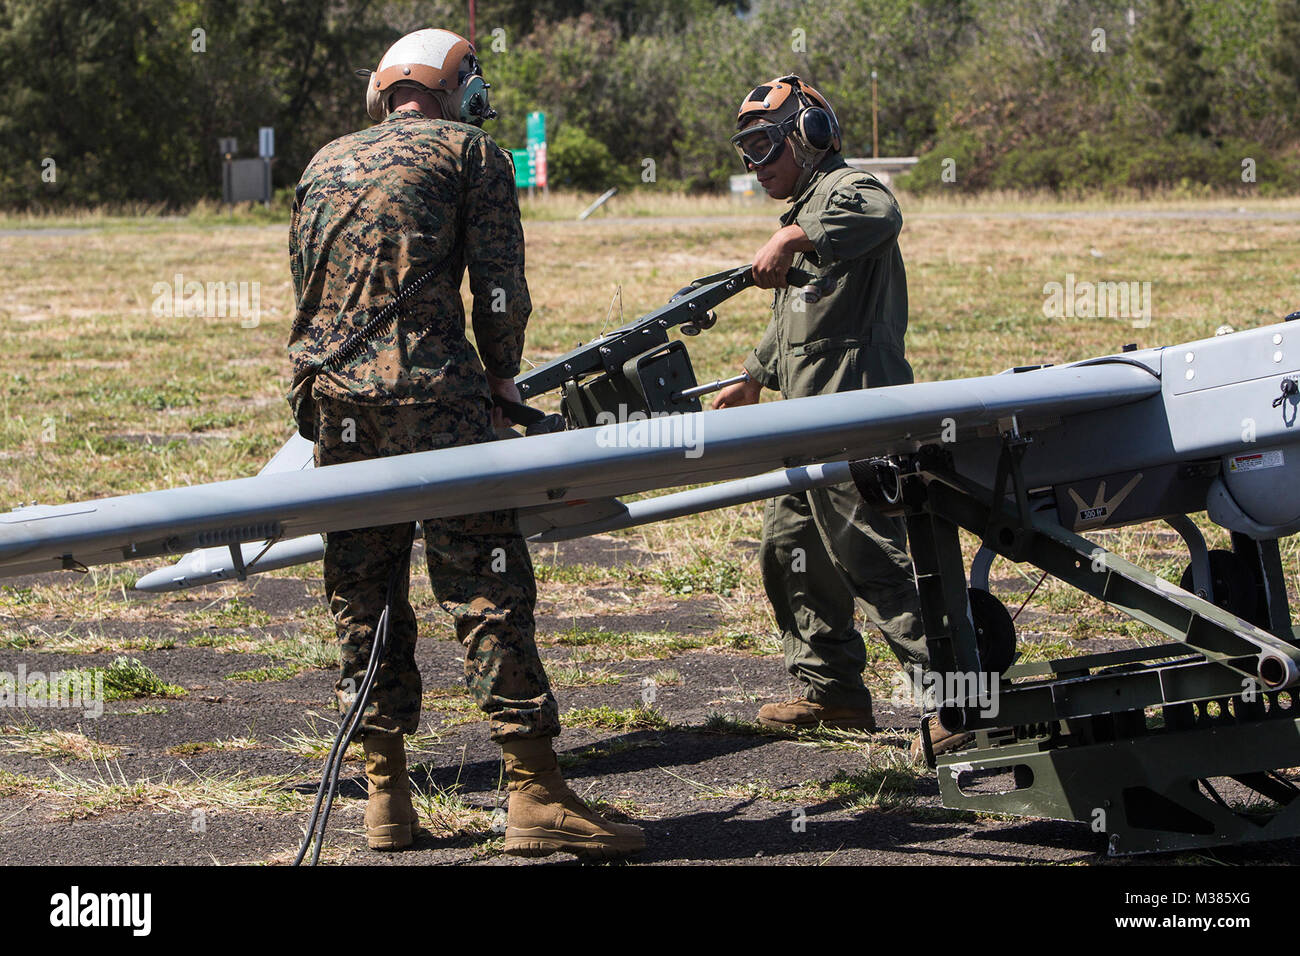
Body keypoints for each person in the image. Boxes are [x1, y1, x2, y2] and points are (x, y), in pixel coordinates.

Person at [286, 27, 643, 858]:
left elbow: (309, 285)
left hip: (334, 402)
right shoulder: (475, 153)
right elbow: (500, 286)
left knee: (362, 588)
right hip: (435, 399)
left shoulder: (322, 161)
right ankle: (534, 796)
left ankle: (385, 798)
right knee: (484, 584)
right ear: (463, 91)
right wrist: (504, 376)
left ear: (381, 92)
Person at [713, 75, 934, 739]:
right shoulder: (805, 211)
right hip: (805, 417)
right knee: (789, 552)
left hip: (853, 410)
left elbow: (883, 211)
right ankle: (833, 690)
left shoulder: (842, 191)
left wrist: (794, 237)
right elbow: (801, 317)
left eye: (764, 148)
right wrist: (755, 373)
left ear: (808, 138)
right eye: (746, 152)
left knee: (870, 557)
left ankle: (957, 699)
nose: (755, 168)